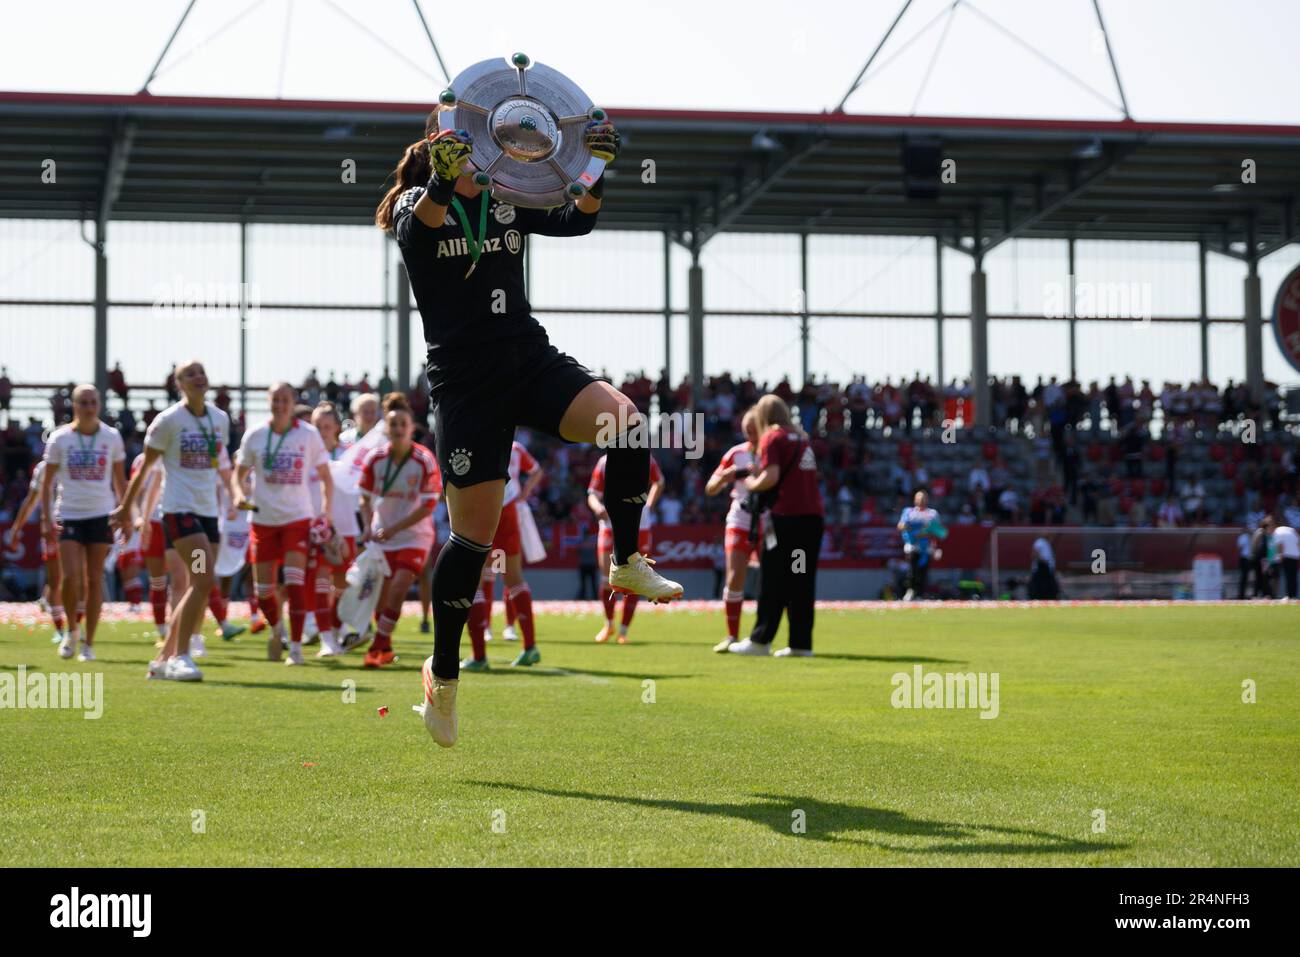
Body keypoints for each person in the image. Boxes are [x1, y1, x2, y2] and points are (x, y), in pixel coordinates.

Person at [377, 112, 681, 748]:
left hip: (528, 358)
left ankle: (625, 561)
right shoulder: (416, 200)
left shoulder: (504, 194)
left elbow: (580, 217)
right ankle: (445, 676)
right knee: (471, 541)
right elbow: (425, 225)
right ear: (439, 142)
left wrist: (596, 165)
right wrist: (440, 181)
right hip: (465, 385)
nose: (490, 138)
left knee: (626, 424)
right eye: (465, 132)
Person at [111, 359, 231, 682]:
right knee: (203, 580)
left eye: (201, 371)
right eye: (189, 374)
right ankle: (181, 656)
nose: (198, 377)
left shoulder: (220, 419)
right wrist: (125, 509)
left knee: (199, 586)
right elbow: (145, 470)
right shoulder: (168, 421)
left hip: (208, 513)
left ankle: (164, 658)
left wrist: (233, 496)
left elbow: (221, 463)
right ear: (178, 384)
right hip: (180, 513)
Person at [232, 383, 334, 666]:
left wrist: (325, 510)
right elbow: (237, 475)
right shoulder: (255, 434)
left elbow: (326, 476)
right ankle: (278, 630)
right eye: (275, 399)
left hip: (296, 519)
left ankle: (297, 649)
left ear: (293, 402)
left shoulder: (309, 435)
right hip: (263, 520)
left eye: (285, 399)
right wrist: (239, 494)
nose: (280, 404)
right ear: (269, 402)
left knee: (294, 582)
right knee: (263, 592)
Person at [726, 394, 825, 657]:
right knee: (801, 580)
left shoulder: (772, 437)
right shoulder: (802, 439)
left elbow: (771, 477)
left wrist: (750, 485)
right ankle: (800, 643)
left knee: (772, 580)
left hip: (785, 520)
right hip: (811, 521)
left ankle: (761, 640)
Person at [41, 384, 126, 661]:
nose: (89, 407)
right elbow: (47, 483)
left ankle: (89, 643)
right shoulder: (60, 439)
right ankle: (71, 631)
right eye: (83, 402)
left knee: (94, 579)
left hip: (100, 514)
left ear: (99, 405)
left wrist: (124, 511)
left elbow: (119, 479)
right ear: (74, 406)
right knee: (70, 577)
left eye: (93, 402)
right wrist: (45, 517)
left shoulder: (111, 437)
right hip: (69, 513)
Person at [357, 393, 441, 668]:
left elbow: (428, 506)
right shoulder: (374, 458)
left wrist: (393, 528)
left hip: (415, 536)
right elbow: (364, 498)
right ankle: (387, 649)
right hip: (383, 537)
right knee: (381, 597)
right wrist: (369, 525)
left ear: (412, 427)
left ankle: (376, 646)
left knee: (400, 587)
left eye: (403, 423)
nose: (398, 429)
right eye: (393, 424)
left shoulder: (424, 459)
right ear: (386, 427)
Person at [463, 438, 544, 670]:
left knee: (477, 580)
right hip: (508, 508)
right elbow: (537, 471)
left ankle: (479, 655)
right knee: (513, 578)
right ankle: (529, 647)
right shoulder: (514, 445)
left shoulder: (474, 438)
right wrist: (523, 494)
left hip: (482, 508)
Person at [587, 452, 664, 644]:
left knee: (634, 580)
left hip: (640, 526)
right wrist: (597, 508)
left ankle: (623, 631)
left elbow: (659, 481)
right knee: (607, 579)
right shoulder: (604, 462)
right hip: (609, 526)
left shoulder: (645, 458)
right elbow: (592, 494)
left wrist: (649, 505)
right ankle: (609, 624)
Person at [308, 401, 362, 657]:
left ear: (337, 428)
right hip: (317, 529)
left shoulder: (348, 454)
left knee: (341, 585)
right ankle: (326, 639)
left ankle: (337, 629)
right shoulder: (305, 454)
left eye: (327, 426)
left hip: (346, 528)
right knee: (320, 584)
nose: (322, 431)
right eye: (317, 426)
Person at [705, 409, 759, 652]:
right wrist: (726, 477)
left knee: (772, 579)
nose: (751, 435)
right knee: (735, 576)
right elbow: (711, 488)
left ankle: (762, 637)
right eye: (748, 431)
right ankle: (732, 635)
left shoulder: (773, 452)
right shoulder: (735, 453)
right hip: (740, 517)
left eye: (755, 430)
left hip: (769, 519)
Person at [4, 460, 66, 643]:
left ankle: (74, 625)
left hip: (77, 524)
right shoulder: (44, 468)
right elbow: (31, 500)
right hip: (53, 527)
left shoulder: (80, 460)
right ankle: (61, 628)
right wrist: (16, 529)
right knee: (56, 579)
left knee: (78, 578)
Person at [896, 489, 947, 601]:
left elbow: (939, 531)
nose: (922, 500)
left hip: (926, 547)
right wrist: (910, 529)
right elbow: (900, 525)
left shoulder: (932, 514)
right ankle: (910, 590)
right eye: (919, 498)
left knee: (923, 571)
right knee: (912, 570)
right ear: (915, 500)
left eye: (924, 498)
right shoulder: (909, 512)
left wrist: (933, 543)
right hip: (913, 545)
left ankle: (920, 593)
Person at [1267, 517, 1299, 599]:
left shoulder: (1277, 532)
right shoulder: (1291, 529)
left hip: (1286, 556)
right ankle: (1293, 595)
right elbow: (1298, 542)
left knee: (1287, 576)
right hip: (1295, 556)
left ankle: (1288, 595)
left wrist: (1280, 556)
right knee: (1293, 577)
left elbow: (1281, 545)